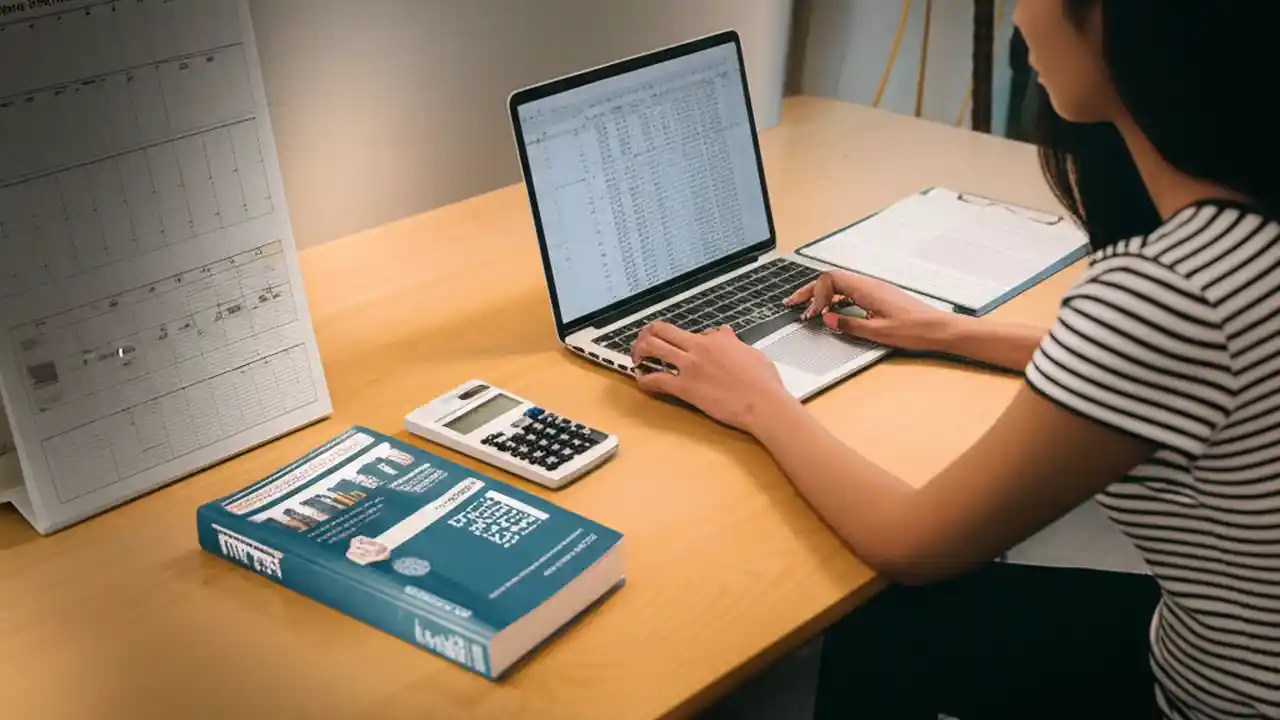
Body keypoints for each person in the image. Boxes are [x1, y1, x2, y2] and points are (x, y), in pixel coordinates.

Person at [627, 1, 1279, 718]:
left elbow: (914, 544)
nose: (1019, 16)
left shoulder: (1168, 292)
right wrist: (947, 331)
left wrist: (759, 398)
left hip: (1219, 697)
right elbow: (1181, 369)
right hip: (1212, 644)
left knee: (878, 612)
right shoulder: (1242, 242)